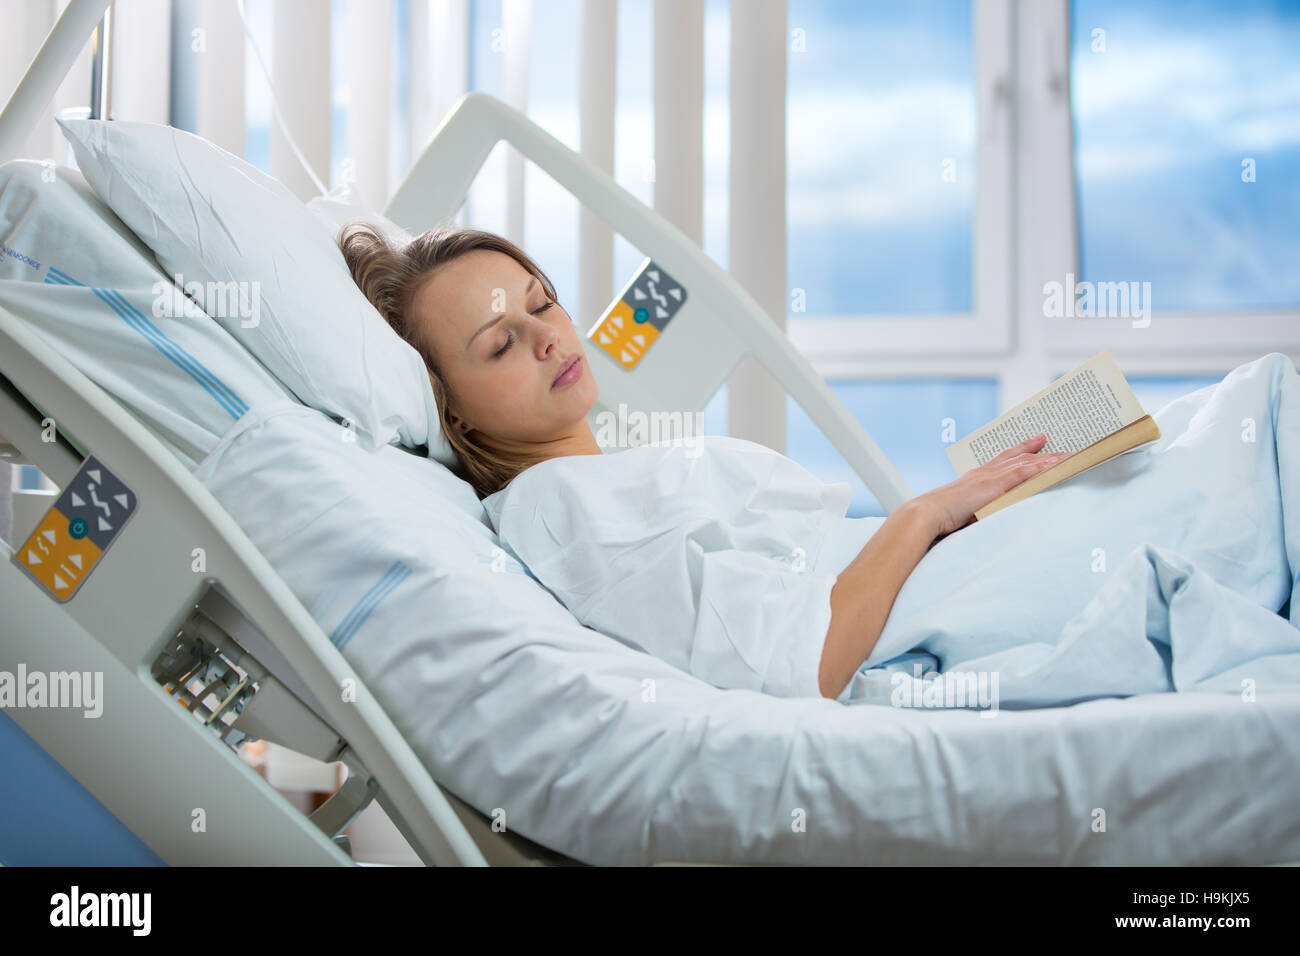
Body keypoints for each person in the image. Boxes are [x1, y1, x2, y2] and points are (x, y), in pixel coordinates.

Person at [340, 222, 1074, 700]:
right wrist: (920, 515)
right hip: (942, 623)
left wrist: (949, 513)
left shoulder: (603, 478)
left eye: (543, 303)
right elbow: (800, 663)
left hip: (948, 580)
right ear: (452, 409)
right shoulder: (558, 509)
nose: (547, 338)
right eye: (499, 344)